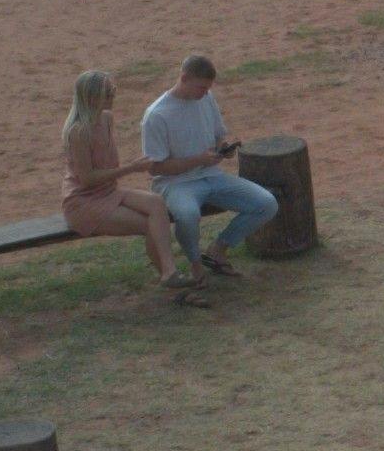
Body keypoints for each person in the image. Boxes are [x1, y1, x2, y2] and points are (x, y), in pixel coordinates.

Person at [142, 55, 278, 277]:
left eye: (208, 88)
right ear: (184, 78)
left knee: (266, 203)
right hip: (176, 184)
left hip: (211, 175)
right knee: (187, 215)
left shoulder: (206, 99)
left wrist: (222, 150)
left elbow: (217, 135)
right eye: (201, 87)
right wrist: (198, 160)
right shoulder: (156, 115)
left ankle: (218, 250)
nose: (205, 93)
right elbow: (155, 168)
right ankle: (196, 264)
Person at [60, 69, 192, 292]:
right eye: (108, 92)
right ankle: (170, 279)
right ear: (92, 97)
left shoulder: (106, 118)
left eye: (113, 90)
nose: (113, 95)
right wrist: (131, 168)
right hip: (84, 202)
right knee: (150, 224)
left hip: (109, 192)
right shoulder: (79, 133)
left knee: (156, 203)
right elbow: (87, 179)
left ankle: (169, 273)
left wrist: (131, 167)